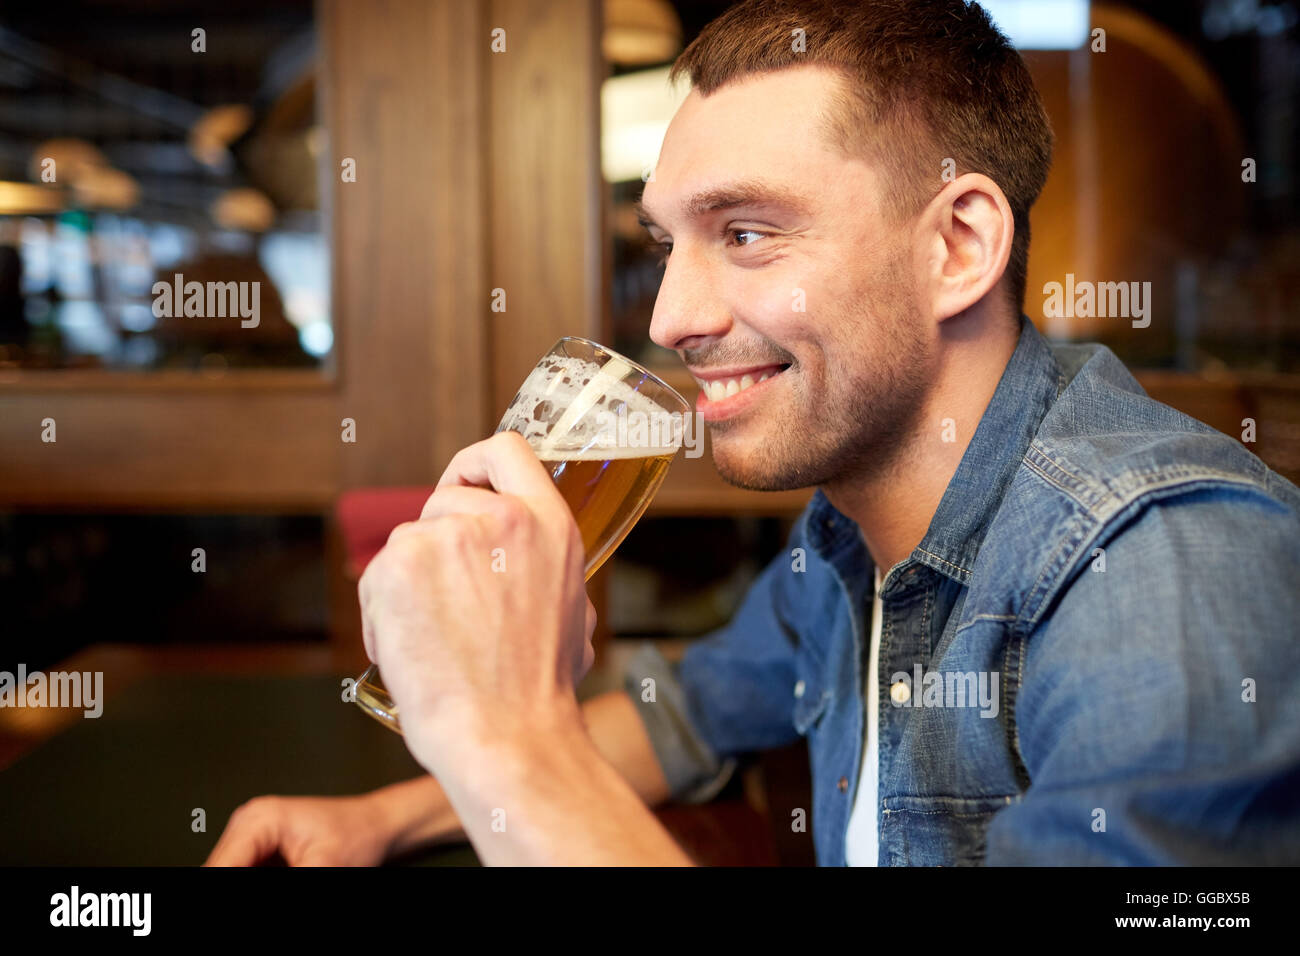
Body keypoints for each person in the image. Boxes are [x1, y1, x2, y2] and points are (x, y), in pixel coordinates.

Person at [206, 0, 1300, 867]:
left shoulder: (1162, 570)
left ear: (957, 246)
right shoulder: (850, 524)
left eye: (745, 231)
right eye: (667, 243)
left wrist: (509, 736)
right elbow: (691, 711)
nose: (669, 317)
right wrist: (387, 818)